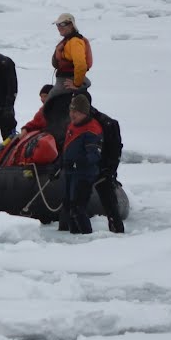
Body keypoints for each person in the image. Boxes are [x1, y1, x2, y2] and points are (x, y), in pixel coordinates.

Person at [76, 90, 125, 234]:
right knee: (78, 205)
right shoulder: (77, 122)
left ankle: (117, 231)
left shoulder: (107, 123)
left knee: (109, 203)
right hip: (86, 169)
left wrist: (109, 170)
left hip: (102, 169)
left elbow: (114, 149)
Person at [58, 94, 103, 234]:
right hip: (70, 171)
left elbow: (94, 155)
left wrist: (80, 162)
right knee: (68, 205)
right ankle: (72, 235)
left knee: (78, 207)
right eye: (71, 111)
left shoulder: (91, 129)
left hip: (83, 174)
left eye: (76, 112)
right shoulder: (72, 125)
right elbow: (67, 147)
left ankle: (86, 237)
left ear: (84, 113)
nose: (72, 115)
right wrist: (61, 163)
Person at [45, 12, 92, 108]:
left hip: (66, 82)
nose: (59, 27)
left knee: (47, 107)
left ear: (71, 25)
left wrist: (77, 84)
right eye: (58, 25)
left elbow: (81, 64)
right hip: (65, 81)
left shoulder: (75, 42)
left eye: (62, 24)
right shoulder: (68, 41)